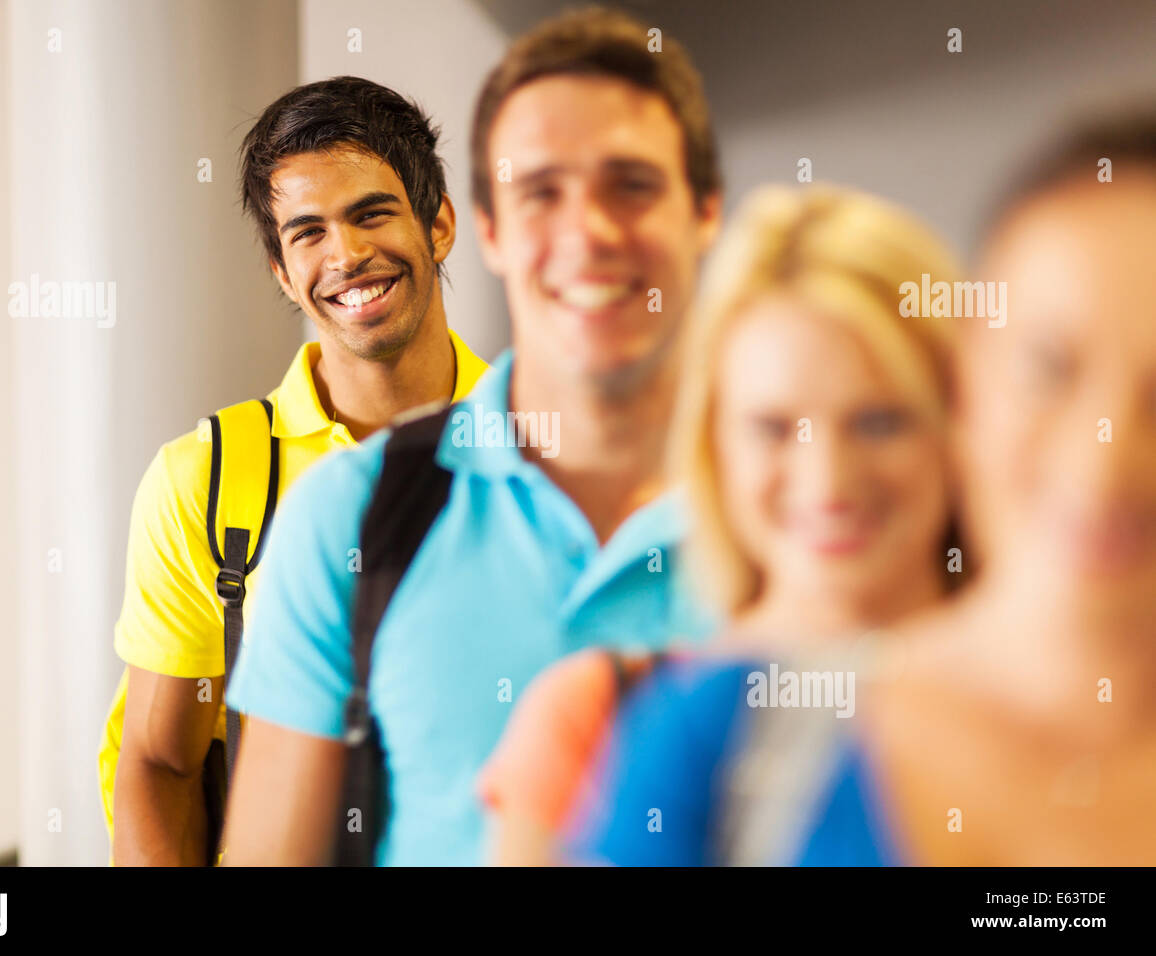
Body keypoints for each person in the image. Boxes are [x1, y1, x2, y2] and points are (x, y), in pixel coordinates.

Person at [576, 111, 1156, 865]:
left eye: (878, 421)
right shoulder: (708, 742)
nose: (1101, 459)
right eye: (1048, 366)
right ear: (968, 385)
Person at [220, 8, 723, 866]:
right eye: (541, 192)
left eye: (631, 184)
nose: (588, 231)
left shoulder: (813, 507)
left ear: (703, 212)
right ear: (489, 228)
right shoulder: (346, 519)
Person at [479, 183, 965, 864]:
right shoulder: (601, 714)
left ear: (961, 427)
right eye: (772, 427)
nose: (827, 480)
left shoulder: (1081, 694)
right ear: (713, 442)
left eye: (879, 421)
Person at [98, 76, 490, 865]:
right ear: (282, 270)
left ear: (439, 223)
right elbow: (161, 760)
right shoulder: (205, 481)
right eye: (307, 232)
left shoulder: (540, 452)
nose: (346, 254)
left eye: (372, 212)